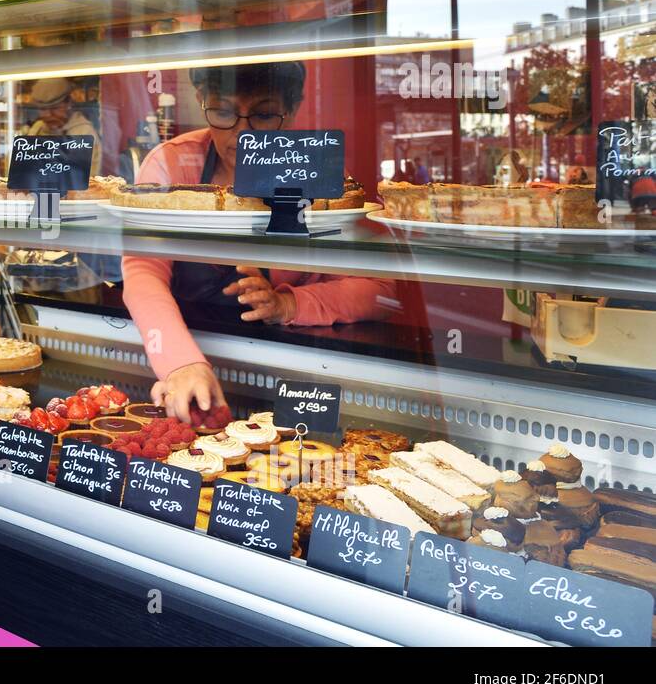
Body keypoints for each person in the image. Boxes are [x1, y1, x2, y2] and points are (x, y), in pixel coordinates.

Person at [121, 62, 398, 420]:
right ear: (202, 102)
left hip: (294, 374)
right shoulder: (172, 166)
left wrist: (290, 304)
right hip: (185, 370)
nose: (242, 133)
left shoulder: (318, 173)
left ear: (292, 109)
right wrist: (179, 363)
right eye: (223, 112)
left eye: (264, 115)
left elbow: (381, 288)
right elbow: (143, 273)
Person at [23, 77, 102, 171]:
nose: (48, 115)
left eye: (55, 108)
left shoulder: (84, 132)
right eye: (43, 109)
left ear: (69, 103)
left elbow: (90, 179)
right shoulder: (37, 128)